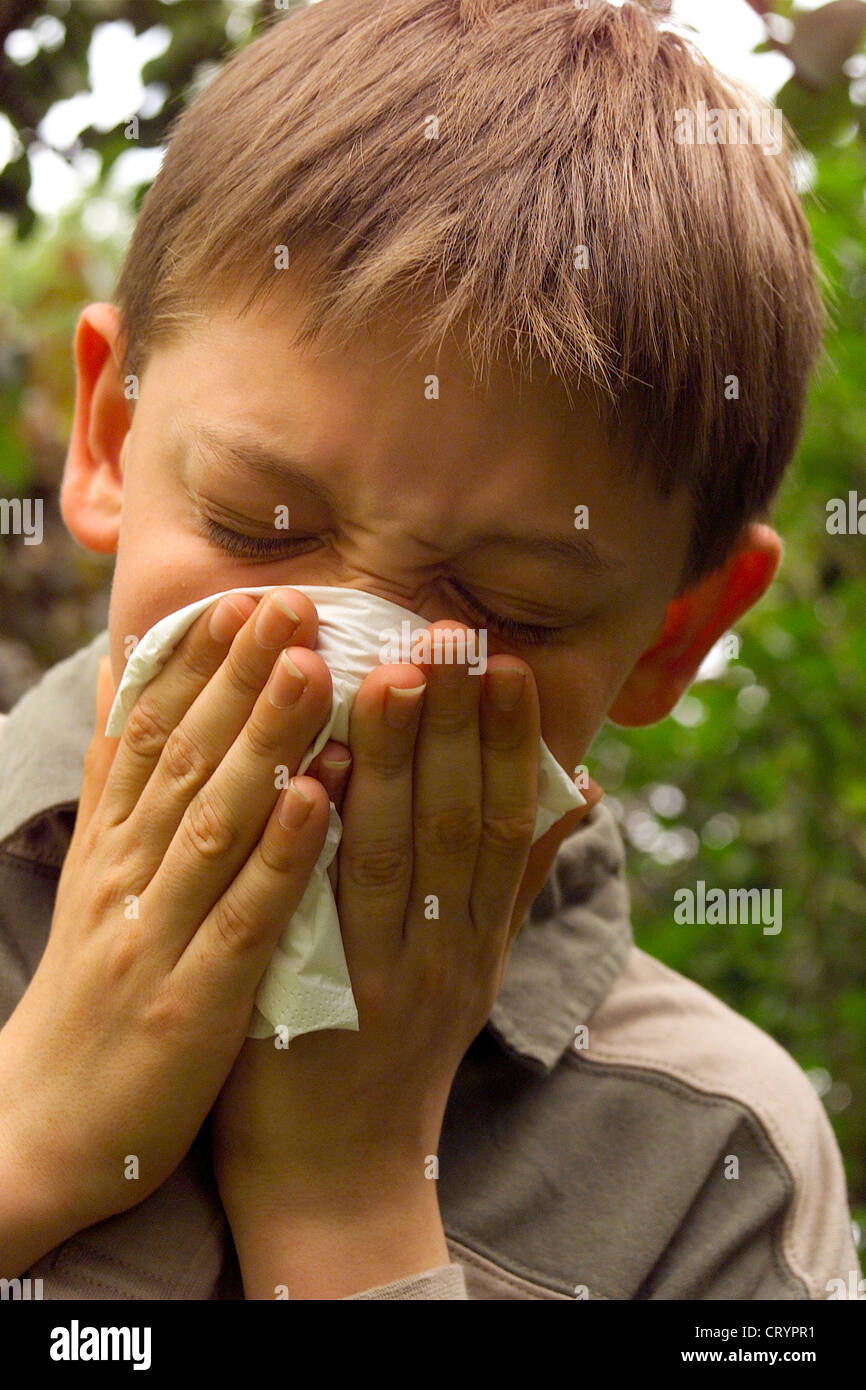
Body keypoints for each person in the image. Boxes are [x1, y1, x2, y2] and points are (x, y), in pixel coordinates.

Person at [0, 0, 860, 1299]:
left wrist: (348, 1215)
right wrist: (32, 1148)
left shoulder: (707, 1152)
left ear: (672, 632)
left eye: (504, 598)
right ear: (110, 441)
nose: (339, 661)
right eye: (255, 518)